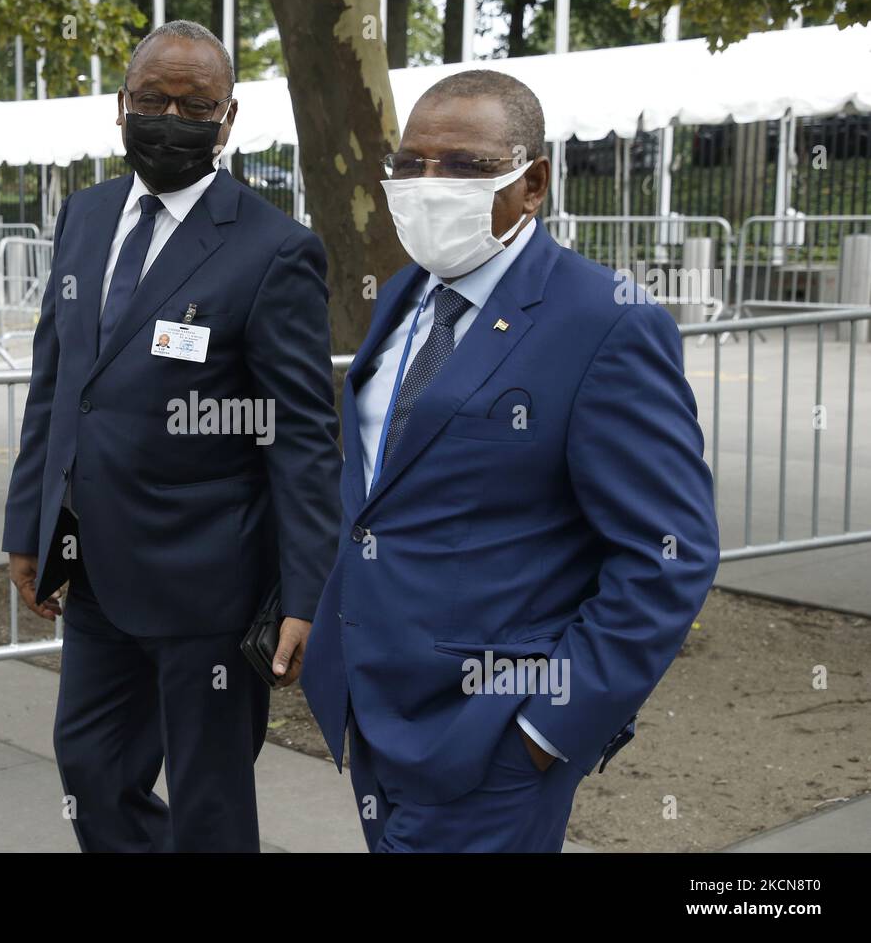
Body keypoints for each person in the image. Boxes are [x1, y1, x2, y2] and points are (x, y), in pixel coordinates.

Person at [300, 70, 720, 853]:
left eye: (464, 165)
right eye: (411, 163)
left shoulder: (605, 322)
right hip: (377, 712)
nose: (429, 183)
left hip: (492, 734)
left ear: (533, 183)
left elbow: (670, 556)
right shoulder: (404, 295)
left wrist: (547, 730)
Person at [2, 20, 340, 853]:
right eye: (153, 100)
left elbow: (301, 436)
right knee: (92, 773)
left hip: (211, 587)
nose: (171, 119)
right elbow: (56, 387)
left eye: (196, 106)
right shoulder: (83, 217)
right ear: (122, 105)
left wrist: (307, 592)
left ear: (228, 119)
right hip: (93, 569)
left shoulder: (275, 250)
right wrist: (27, 526)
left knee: (209, 802)